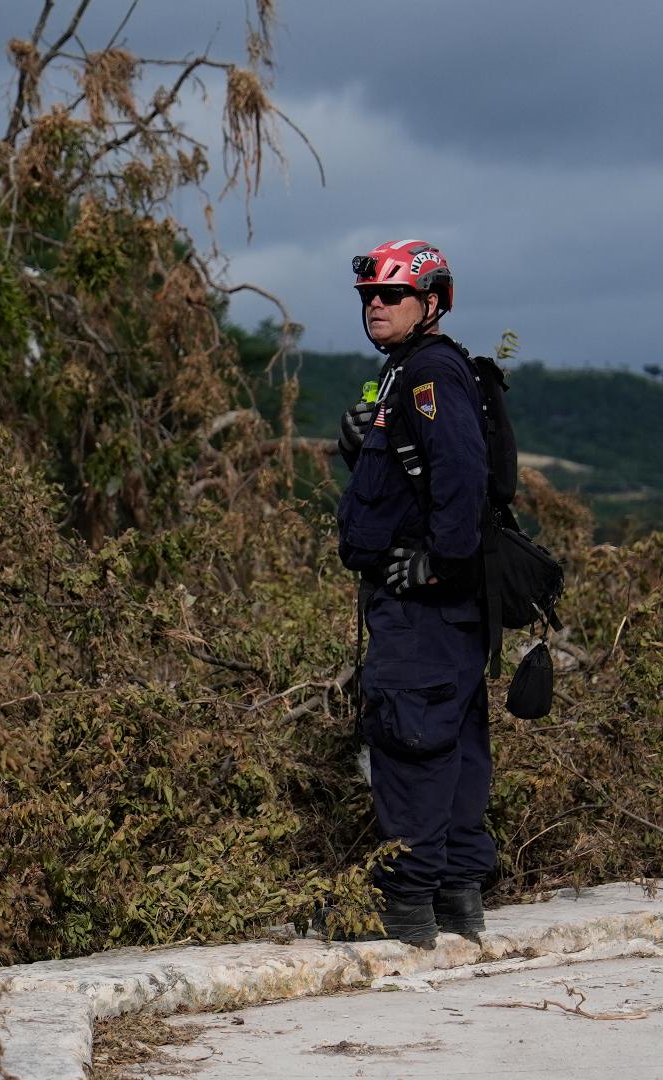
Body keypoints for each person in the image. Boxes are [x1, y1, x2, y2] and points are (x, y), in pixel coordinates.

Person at [332, 239, 492, 948]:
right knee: (452, 742)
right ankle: (457, 905)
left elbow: (461, 475)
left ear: (430, 303)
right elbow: (410, 476)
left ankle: (404, 912)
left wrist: (435, 566)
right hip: (430, 607)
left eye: (391, 295)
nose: (375, 305)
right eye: (368, 294)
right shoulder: (402, 376)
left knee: (412, 739)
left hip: (424, 605)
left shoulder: (428, 374)